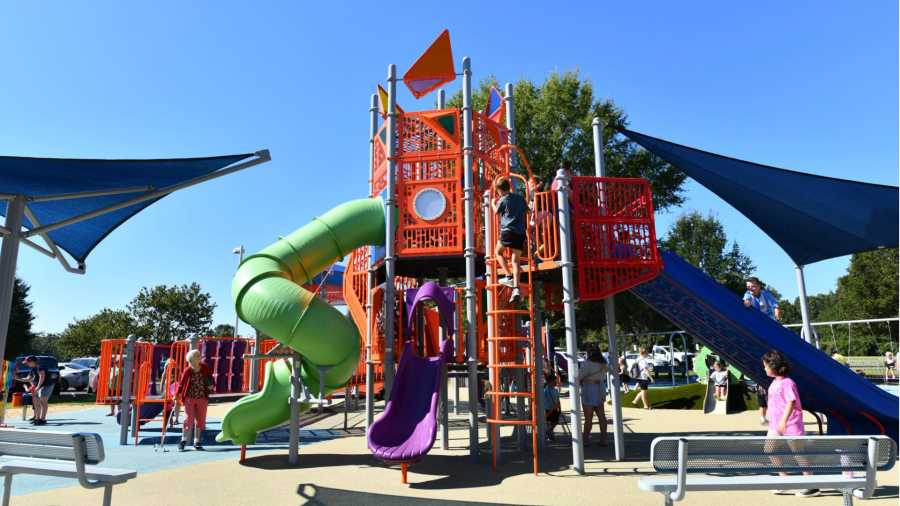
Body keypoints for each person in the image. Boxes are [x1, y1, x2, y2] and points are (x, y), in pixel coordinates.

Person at [763, 349, 819, 498]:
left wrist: (784, 419)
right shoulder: (775, 382)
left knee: (798, 453)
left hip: (790, 424)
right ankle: (785, 481)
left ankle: (812, 486)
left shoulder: (788, 383)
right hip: (775, 425)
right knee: (769, 450)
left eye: (766, 366)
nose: (764, 369)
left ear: (774, 366)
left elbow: (791, 401)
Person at [491, 176, 530, 303]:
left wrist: (492, 203)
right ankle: (516, 289)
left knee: (498, 252)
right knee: (515, 261)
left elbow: (496, 213)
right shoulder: (519, 198)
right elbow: (528, 211)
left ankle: (508, 276)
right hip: (520, 232)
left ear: (500, 191)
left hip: (508, 231)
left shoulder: (502, 199)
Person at [176, 350, 214, 451]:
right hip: (190, 397)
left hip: (202, 397)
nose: (199, 356)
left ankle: (196, 442)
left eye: (199, 355)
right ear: (191, 359)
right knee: (187, 419)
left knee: (200, 419)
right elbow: (181, 384)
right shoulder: (188, 370)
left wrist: (212, 385)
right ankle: (183, 440)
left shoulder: (205, 367)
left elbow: (211, 378)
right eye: (196, 355)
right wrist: (176, 394)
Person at [578, 343, 609, 447]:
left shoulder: (588, 362)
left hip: (589, 388)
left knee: (588, 417)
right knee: (601, 415)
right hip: (600, 387)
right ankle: (603, 440)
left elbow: (581, 375)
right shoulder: (603, 361)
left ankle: (584, 441)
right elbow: (607, 370)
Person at [23, 356, 51, 425]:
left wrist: (38, 386)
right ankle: (37, 418)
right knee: (35, 402)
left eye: (27, 362)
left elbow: (42, 376)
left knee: (43, 402)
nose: (27, 364)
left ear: (32, 361)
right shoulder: (33, 369)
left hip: (46, 385)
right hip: (38, 386)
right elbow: (27, 379)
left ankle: (43, 419)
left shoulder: (39, 366)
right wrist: (16, 378)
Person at [544, 374, 560, 441]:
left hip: (555, 408)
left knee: (556, 421)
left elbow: (558, 399)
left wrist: (559, 407)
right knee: (552, 421)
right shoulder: (546, 390)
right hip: (549, 409)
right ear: (551, 382)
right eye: (555, 381)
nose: (556, 383)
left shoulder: (555, 390)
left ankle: (549, 430)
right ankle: (550, 435)